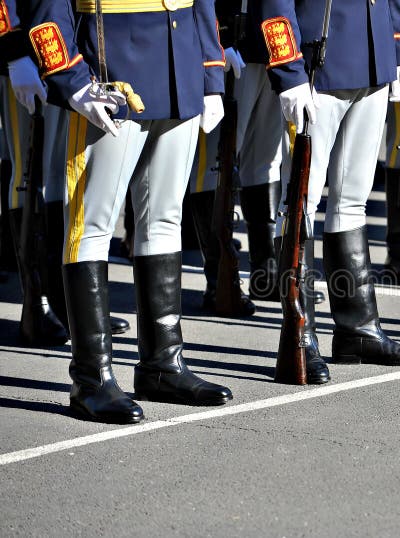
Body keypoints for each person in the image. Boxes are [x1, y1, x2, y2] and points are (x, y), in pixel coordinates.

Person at [29, 0, 233, 423]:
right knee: (91, 225)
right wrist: (71, 76)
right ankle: (91, 378)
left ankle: (163, 363)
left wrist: (209, 73)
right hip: (112, 71)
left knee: (163, 220)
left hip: (180, 61)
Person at [255, 0, 400, 372]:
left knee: (353, 201)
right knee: (302, 202)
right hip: (320, 62)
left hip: (374, 55)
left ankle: (359, 328)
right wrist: (288, 70)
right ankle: (299, 334)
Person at [0, 0, 129, 346]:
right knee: (27, 173)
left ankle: (63, 302)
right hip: (25, 54)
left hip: (65, 57)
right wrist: (13, 51)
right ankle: (35, 301)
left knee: (59, 175)